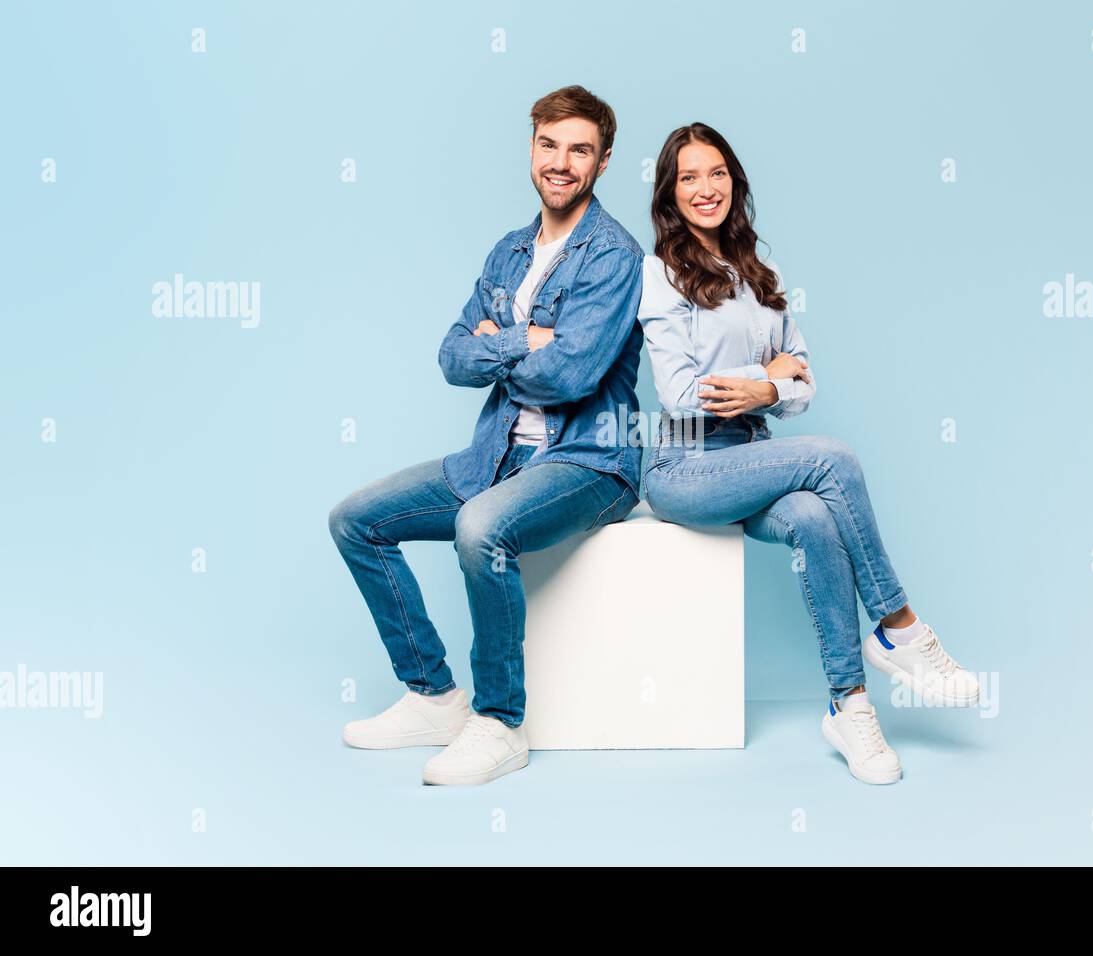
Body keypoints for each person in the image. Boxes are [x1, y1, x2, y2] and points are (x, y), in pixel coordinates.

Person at [637, 123, 979, 785]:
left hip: (749, 458)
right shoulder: (660, 274)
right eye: (688, 177)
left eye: (717, 173)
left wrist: (770, 384)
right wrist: (770, 376)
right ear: (669, 194)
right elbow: (681, 395)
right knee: (832, 459)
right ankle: (900, 628)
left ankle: (849, 706)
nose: (706, 189)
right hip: (682, 467)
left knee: (818, 520)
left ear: (734, 180)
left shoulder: (762, 272)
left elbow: (806, 384)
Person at [328, 86, 643, 786]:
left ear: (604, 161)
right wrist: (526, 340)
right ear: (532, 148)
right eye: (549, 145)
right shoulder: (507, 252)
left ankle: (500, 723)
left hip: (590, 461)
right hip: (496, 453)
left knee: (479, 529)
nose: (561, 163)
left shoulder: (614, 257)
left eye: (579, 150)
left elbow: (573, 374)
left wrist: (498, 345)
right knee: (355, 520)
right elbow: (449, 358)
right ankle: (435, 698)